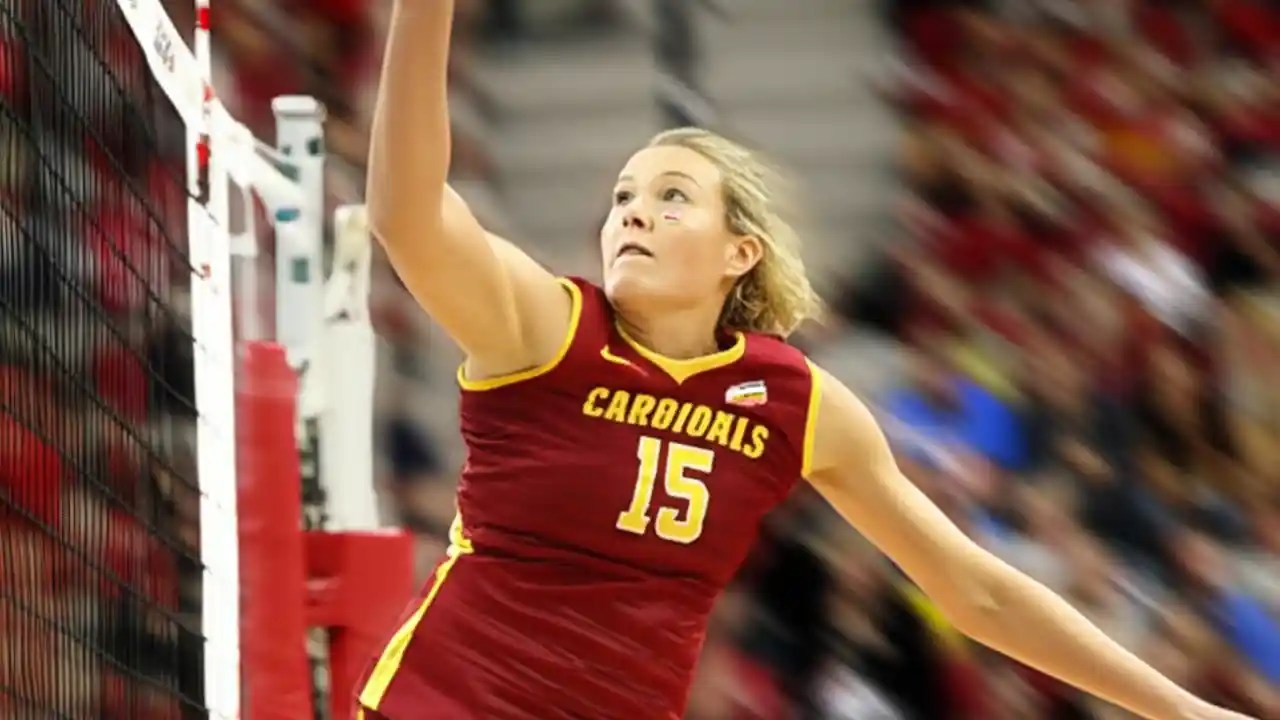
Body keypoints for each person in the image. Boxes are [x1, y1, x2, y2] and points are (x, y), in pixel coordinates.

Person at [353, 2, 1257, 719]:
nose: (630, 212)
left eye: (671, 198)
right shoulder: (543, 328)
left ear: (738, 252)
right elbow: (406, 215)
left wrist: (1177, 708)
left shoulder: (793, 402)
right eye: (623, 196)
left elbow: (974, 591)